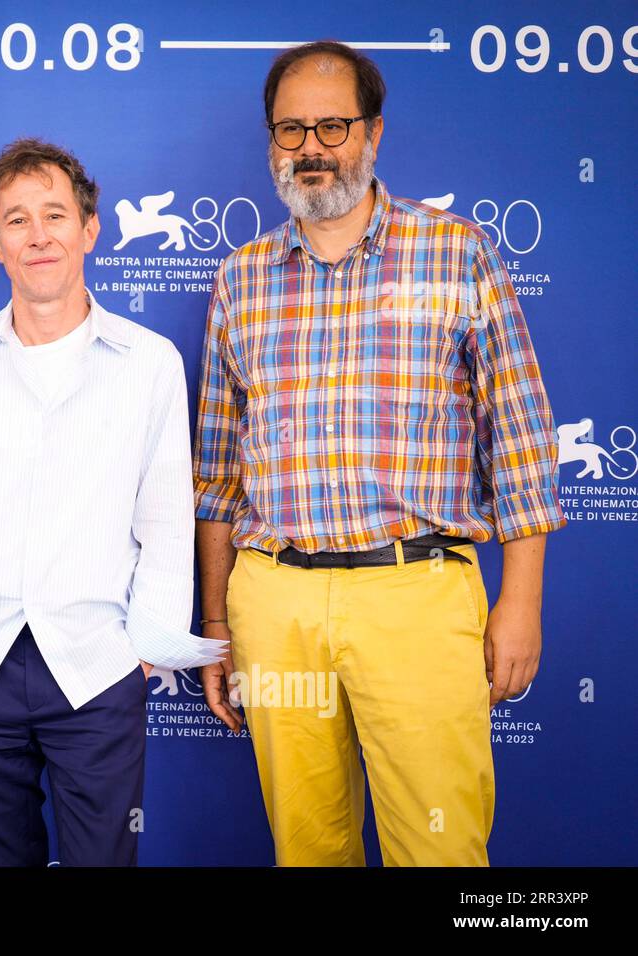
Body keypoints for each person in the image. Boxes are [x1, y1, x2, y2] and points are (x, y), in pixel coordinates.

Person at [193, 41, 567, 866]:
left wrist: (522, 601)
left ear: (374, 133)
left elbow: (523, 438)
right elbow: (217, 474)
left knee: (441, 852)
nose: (312, 148)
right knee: (308, 849)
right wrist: (218, 622)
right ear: (270, 143)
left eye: (333, 125)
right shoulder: (240, 279)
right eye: (292, 130)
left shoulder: (456, 253)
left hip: (419, 597)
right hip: (275, 604)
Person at [0, 138, 226, 866]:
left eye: (55, 214)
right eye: (17, 220)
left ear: (90, 229)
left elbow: (163, 516)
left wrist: (145, 647)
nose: (39, 235)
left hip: (97, 667)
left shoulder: (149, 363)